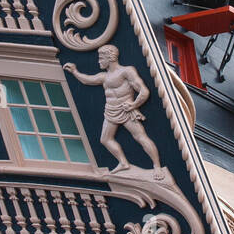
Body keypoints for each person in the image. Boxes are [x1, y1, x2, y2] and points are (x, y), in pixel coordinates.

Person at [64, 45, 163, 176]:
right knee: (105, 139)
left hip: (126, 110)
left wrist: (134, 105)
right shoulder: (104, 76)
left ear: (109, 58)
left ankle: (157, 167)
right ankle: (123, 163)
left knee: (140, 137)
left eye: (100, 58)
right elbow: (87, 80)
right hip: (110, 111)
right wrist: (75, 71)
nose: (98, 61)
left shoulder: (126, 71)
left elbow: (144, 91)